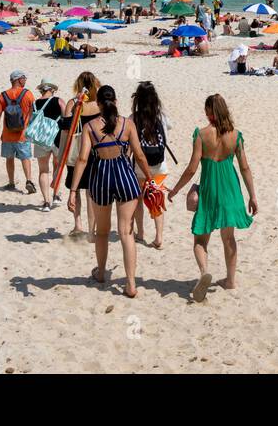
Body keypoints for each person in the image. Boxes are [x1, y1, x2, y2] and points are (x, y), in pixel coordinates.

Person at [165, 94, 258, 302]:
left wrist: (175, 190)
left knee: (200, 238)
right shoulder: (236, 135)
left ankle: (204, 271)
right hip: (230, 189)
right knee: (229, 238)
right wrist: (252, 196)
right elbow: (244, 167)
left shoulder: (201, 134)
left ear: (209, 112)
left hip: (210, 189)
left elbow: (191, 169)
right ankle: (231, 280)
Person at [67, 86, 155, 298]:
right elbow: (140, 155)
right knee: (126, 233)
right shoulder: (127, 124)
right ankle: (131, 284)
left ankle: (100, 273)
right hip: (125, 176)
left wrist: (72, 190)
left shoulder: (90, 127)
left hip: (102, 178)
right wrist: (150, 180)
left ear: (97, 104)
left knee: (103, 232)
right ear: (116, 100)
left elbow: (82, 159)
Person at [131, 81, 174, 249]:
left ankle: (140, 233)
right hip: (159, 166)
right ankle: (159, 237)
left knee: (139, 200)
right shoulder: (161, 117)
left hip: (139, 168)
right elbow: (170, 127)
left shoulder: (133, 118)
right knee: (155, 199)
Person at [0, 71, 37, 194]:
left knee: (9, 158)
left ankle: (11, 182)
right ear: (18, 79)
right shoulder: (28, 94)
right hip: (23, 134)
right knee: (25, 158)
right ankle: (28, 181)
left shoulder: (3, 95)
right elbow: (34, 111)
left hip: (7, 135)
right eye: (24, 78)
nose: (25, 80)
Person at [30, 78, 70, 212]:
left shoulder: (35, 104)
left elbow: (31, 120)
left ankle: (46, 202)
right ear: (52, 89)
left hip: (41, 139)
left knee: (43, 170)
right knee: (57, 166)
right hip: (58, 138)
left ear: (42, 89)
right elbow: (67, 119)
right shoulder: (58, 101)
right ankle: (56, 195)